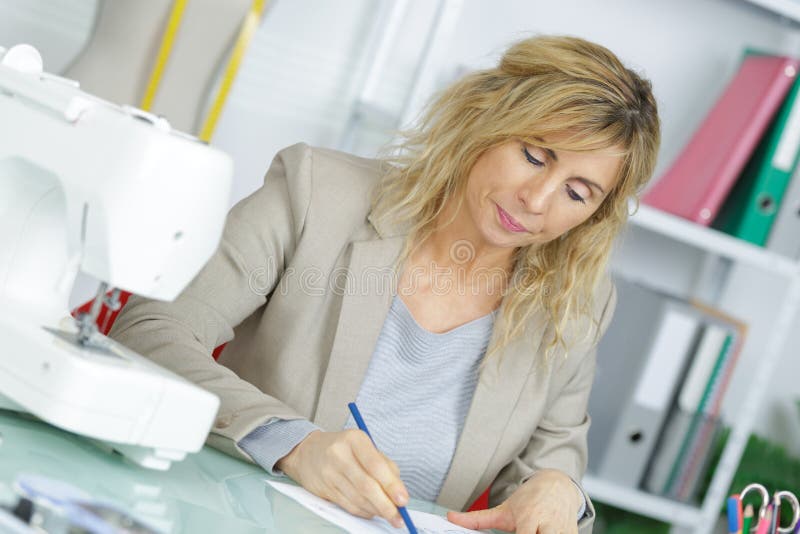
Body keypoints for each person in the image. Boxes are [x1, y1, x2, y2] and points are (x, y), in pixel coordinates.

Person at [109, 34, 660, 534]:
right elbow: (151, 330)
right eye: (534, 156)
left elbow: (552, 458)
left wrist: (560, 491)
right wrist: (293, 443)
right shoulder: (314, 192)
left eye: (578, 192)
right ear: (485, 117)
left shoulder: (576, 301)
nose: (537, 201)